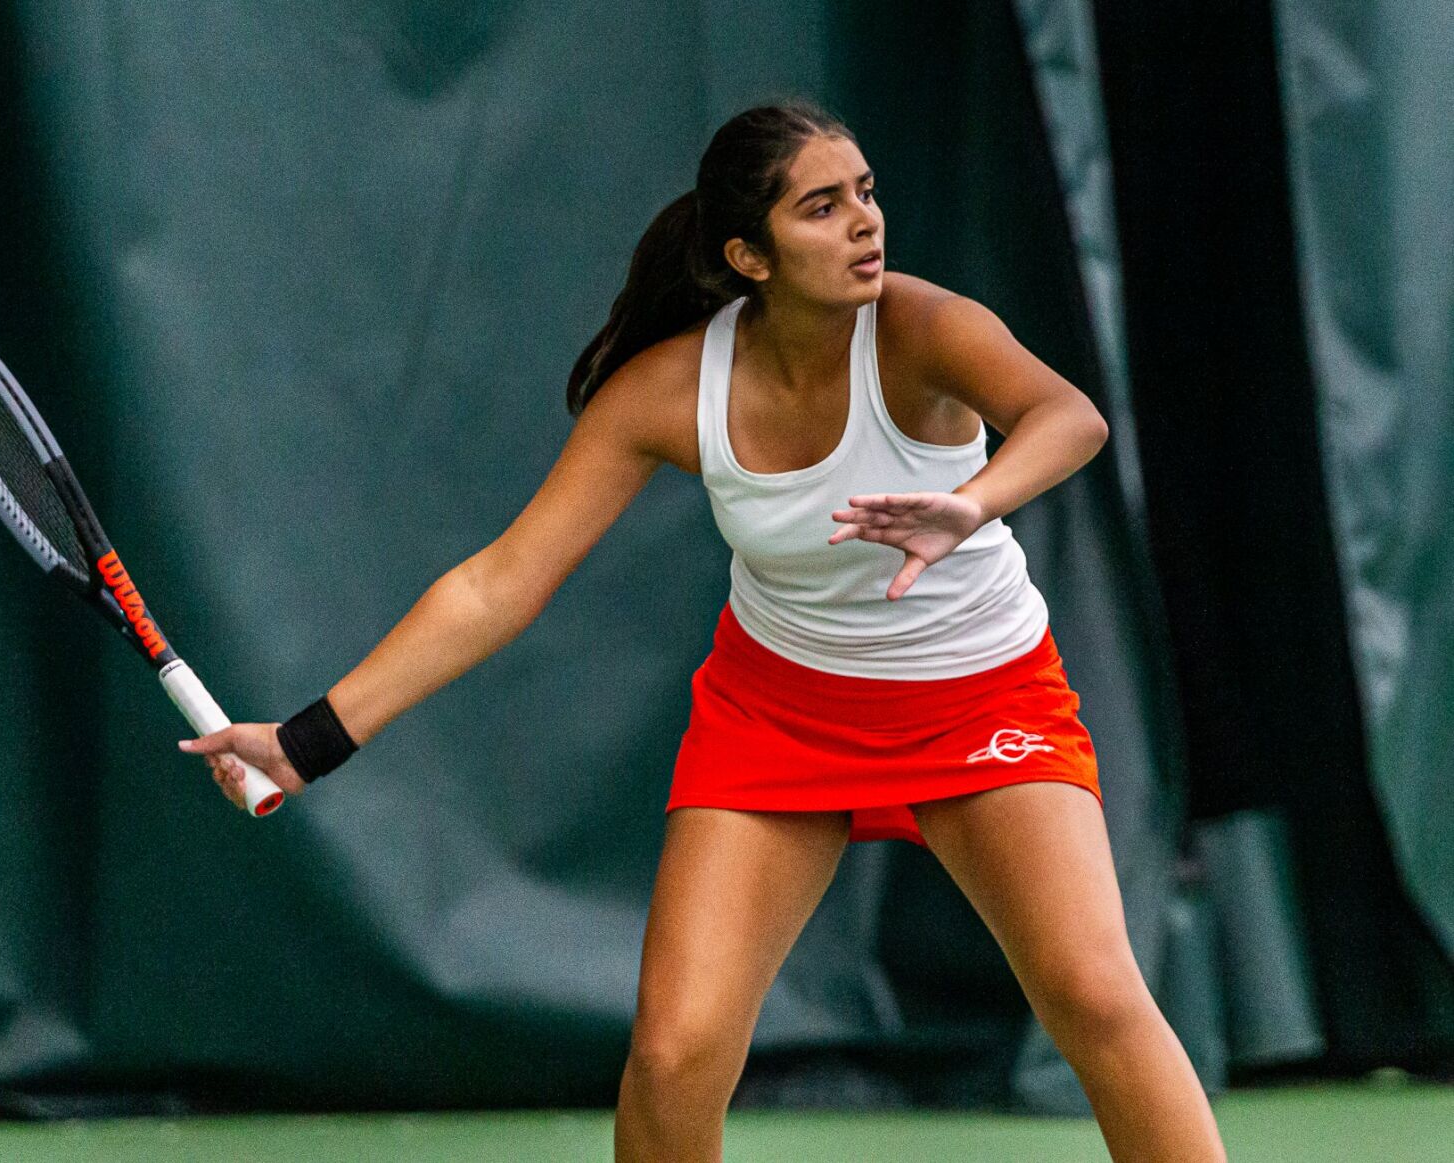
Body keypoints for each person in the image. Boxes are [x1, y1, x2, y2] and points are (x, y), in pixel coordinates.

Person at [180, 101, 1226, 1162]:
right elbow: (501, 580)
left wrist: (975, 498)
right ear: (748, 254)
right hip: (777, 716)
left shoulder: (926, 327)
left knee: (1095, 995)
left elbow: (1068, 416)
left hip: (981, 699)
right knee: (675, 1053)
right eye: (821, 206)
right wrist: (309, 738)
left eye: (864, 192)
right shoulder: (669, 389)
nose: (864, 222)